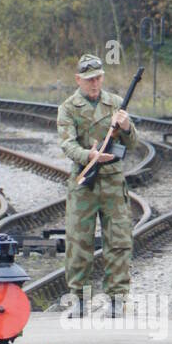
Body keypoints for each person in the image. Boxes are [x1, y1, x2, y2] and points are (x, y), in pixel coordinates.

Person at [57, 53, 139, 312]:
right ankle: (79, 298)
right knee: (79, 241)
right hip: (85, 181)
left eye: (99, 78)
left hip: (113, 182)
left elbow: (133, 143)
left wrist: (125, 127)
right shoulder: (69, 108)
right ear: (78, 80)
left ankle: (117, 298)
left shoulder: (115, 104)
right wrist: (89, 156)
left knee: (118, 240)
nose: (95, 84)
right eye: (90, 79)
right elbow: (67, 144)